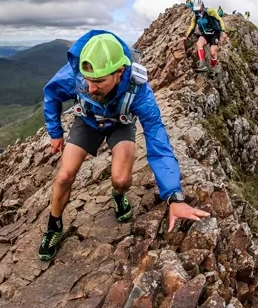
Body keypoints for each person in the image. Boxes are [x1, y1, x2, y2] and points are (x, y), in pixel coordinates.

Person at [38, 30, 211, 261]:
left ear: (120, 72)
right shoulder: (76, 73)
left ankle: (118, 195)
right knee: (64, 176)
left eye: (98, 81)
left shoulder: (139, 92)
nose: (89, 88)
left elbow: (158, 142)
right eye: (87, 80)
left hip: (120, 123)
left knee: (121, 180)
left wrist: (174, 197)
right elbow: (51, 94)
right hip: (87, 121)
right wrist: (55, 132)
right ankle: (54, 226)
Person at [181, 0, 227, 72]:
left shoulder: (210, 11)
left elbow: (219, 19)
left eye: (198, 8)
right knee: (199, 43)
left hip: (215, 33)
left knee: (213, 52)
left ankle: (212, 68)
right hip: (205, 33)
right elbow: (192, 27)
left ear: (202, 6)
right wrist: (186, 36)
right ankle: (202, 64)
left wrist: (223, 31)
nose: (198, 10)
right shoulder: (195, 17)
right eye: (196, 8)